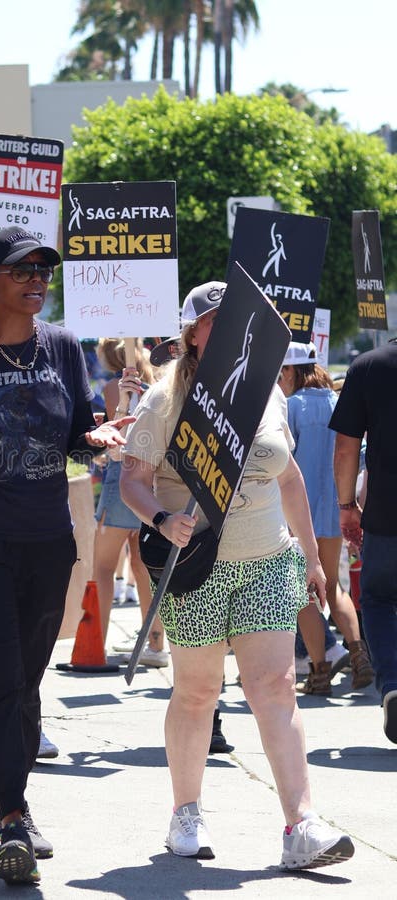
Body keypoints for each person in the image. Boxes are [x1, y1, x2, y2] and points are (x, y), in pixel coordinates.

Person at [0, 226, 133, 885]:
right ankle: (12, 813)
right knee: (2, 669)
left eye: (44, 270)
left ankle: (4, 780)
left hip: (46, 539)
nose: (37, 279)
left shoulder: (64, 346)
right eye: (22, 270)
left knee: (27, 674)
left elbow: (75, 435)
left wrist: (99, 436)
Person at [120, 281, 354, 869]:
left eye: (236, 322)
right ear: (192, 336)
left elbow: (291, 478)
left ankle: (301, 824)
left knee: (274, 687)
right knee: (198, 692)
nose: (229, 333)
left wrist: (308, 560)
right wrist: (162, 518)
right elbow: (131, 482)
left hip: (268, 562)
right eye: (215, 323)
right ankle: (185, 813)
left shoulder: (267, 393)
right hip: (198, 567)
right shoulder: (163, 401)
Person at [279, 342, 373, 694]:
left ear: (290, 371)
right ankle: (359, 654)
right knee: (333, 587)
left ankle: (319, 672)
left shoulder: (289, 407)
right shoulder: (338, 402)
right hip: (335, 507)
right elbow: (360, 454)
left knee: (304, 593)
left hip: (298, 514)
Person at [329, 337, 397, 743]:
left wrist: (346, 504)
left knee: (378, 599)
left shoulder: (368, 367)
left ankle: (391, 682)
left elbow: (345, 447)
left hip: (387, 513)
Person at [92, 338, 167, 667]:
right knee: (144, 568)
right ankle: (155, 644)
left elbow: (115, 442)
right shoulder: (161, 385)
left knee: (104, 568)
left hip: (123, 477)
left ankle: (96, 644)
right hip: (153, 482)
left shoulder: (114, 387)